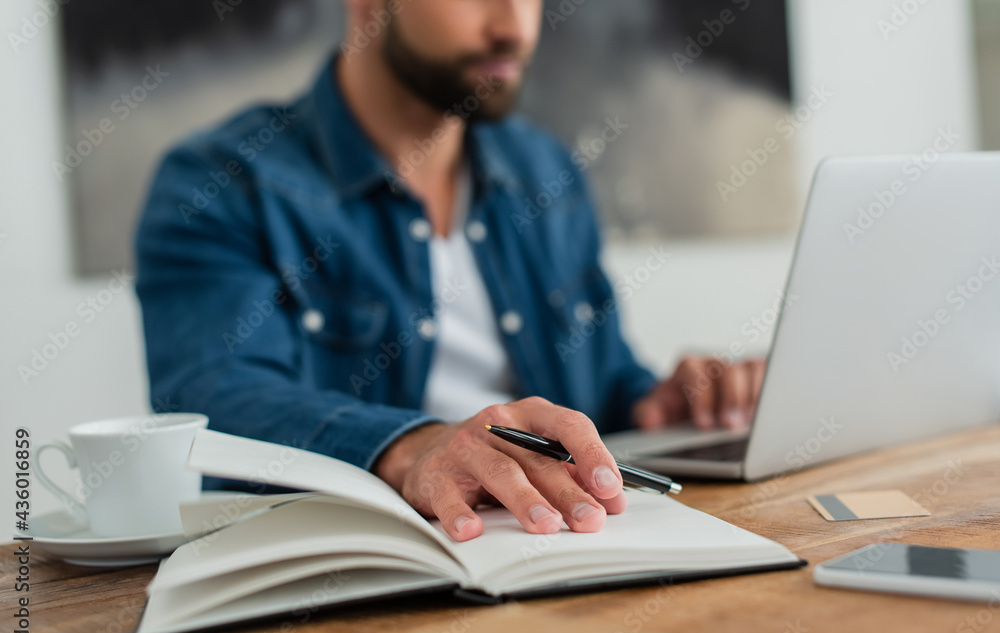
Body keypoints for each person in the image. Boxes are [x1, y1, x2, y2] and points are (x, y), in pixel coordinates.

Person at [135, 0, 765, 542]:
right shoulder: (221, 185)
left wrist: (665, 403)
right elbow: (216, 399)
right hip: (352, 585)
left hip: (559, 553)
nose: (513, 28)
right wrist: (412, 445)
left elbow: (605, 381)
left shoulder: (547, 172)